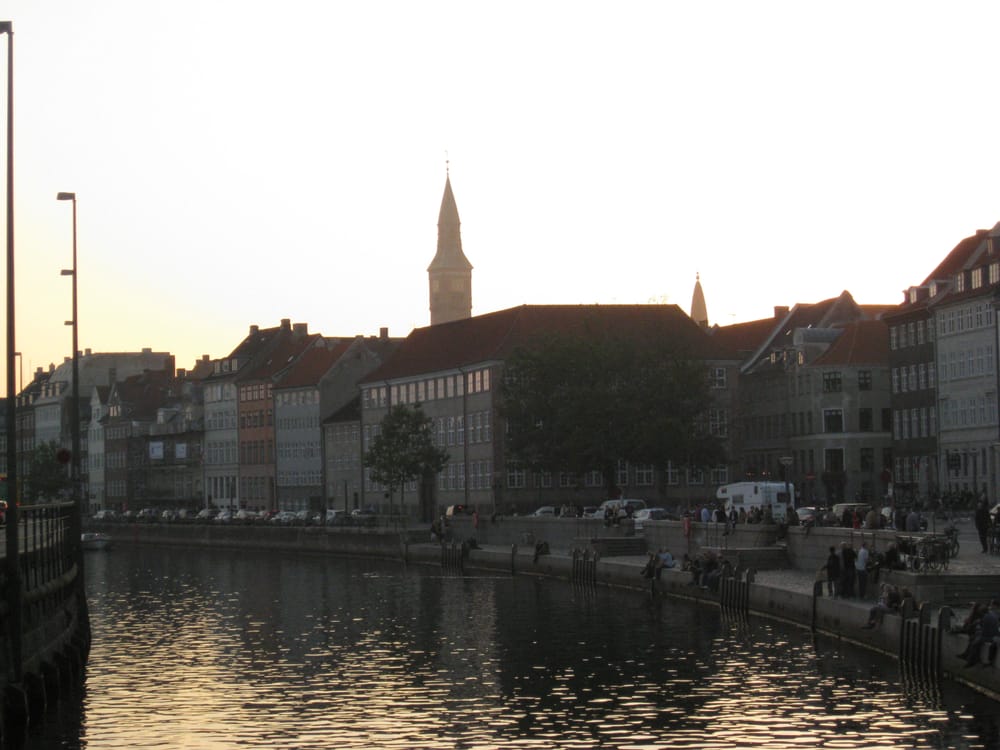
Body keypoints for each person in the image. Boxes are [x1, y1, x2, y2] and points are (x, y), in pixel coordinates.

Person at [963, 600, 1000, 667]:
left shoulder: (987, 617)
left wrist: (978, 632)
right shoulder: (991, 615)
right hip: (994, 634)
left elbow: (985, 632)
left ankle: (972, 660)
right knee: (975, 638)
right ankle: (970, 657)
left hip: (991, 636)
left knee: (976, 642)